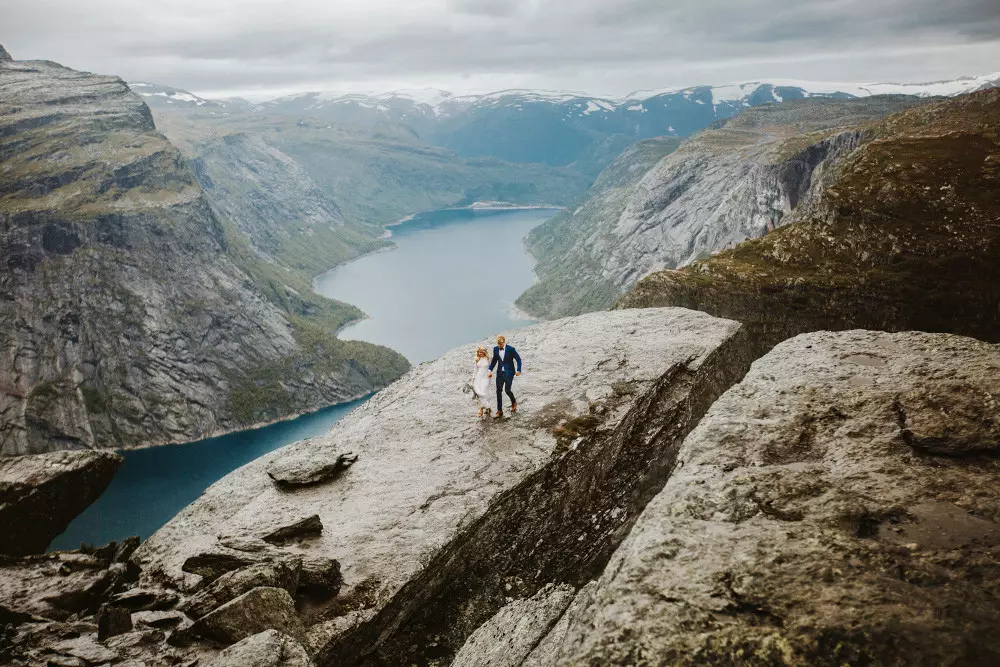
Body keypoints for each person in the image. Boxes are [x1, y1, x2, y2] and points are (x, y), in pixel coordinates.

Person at [488, 335, 521, 419]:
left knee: (507, 390)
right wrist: (489, 370)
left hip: (509, 373)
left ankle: (513, 402)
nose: (500, 346)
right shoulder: (495, 349)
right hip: (499, 373)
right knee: (498, 391)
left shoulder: (511, 349)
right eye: (498, 344)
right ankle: (499, 410)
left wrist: (518, 370)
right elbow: (494, 361)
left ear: (504, 342)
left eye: (501, 344)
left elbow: (518, 359)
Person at [471, 346, 492, 418]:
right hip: (478, 377)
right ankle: (483, 408)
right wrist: (473, 378)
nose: (480, 353)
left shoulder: (489, 358)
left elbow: (491, 367)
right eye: (479, 352)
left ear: (484, 352)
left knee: (483, 392)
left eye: (481, 352)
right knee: (479, 393)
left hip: (486, 377)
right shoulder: (477, 359)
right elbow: (475, 369)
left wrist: (490, 372)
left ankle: (486, 406)